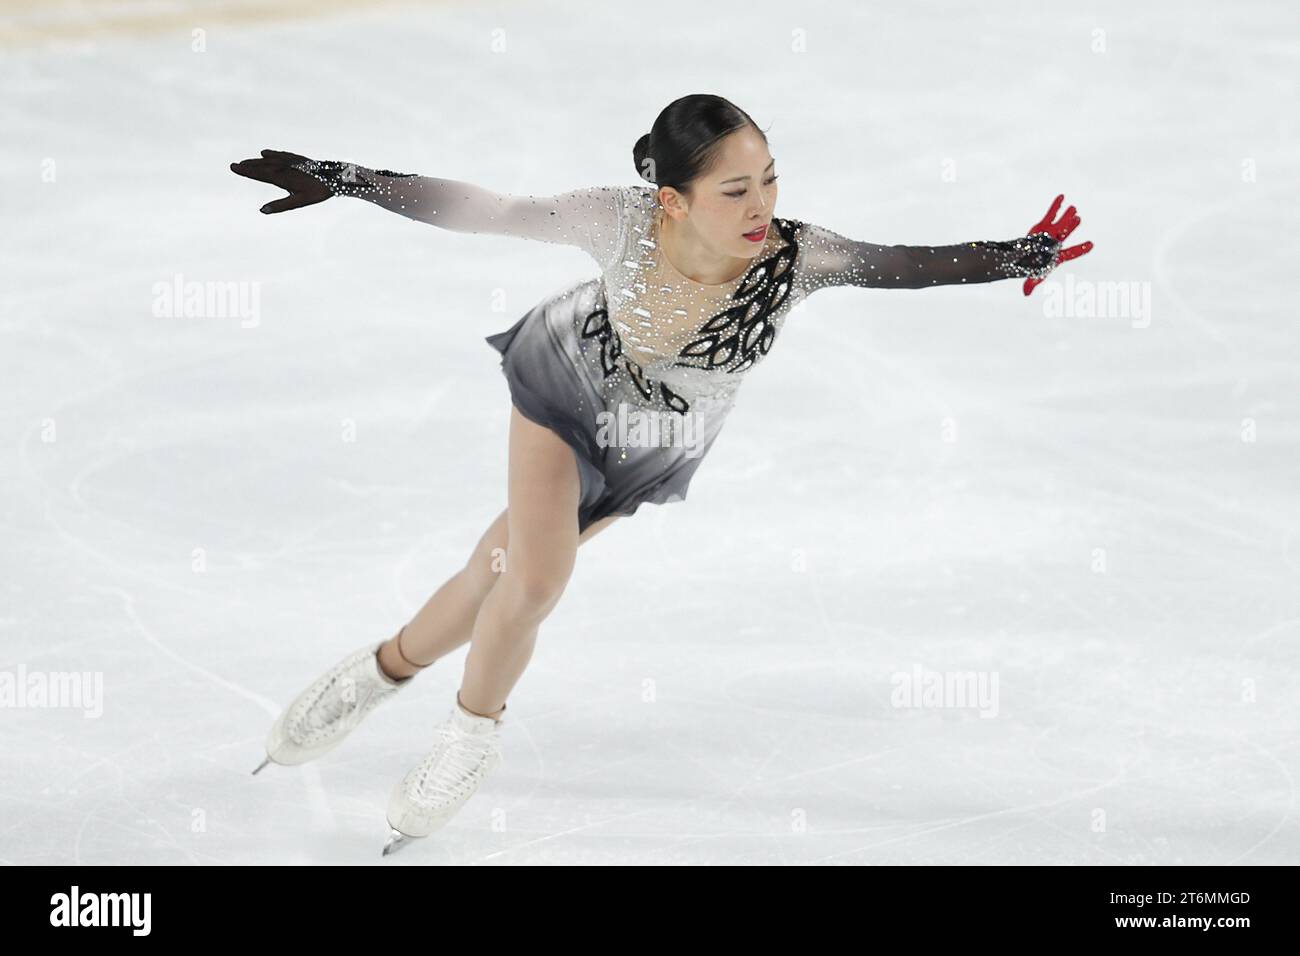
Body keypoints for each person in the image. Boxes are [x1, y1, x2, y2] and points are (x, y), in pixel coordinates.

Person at [231, 93, 1093, 855]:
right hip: (568, 378)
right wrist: (345, 176)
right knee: (533, 581)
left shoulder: (800, 259)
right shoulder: (619, 219)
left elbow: (907, 264)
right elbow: (486, 209)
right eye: (735, 190)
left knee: (496, 569)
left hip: (652, 438)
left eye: (770, 181)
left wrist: (1019, 254)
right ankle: (470, 733)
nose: (762, 206)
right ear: (674, 199)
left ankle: (377, 673)